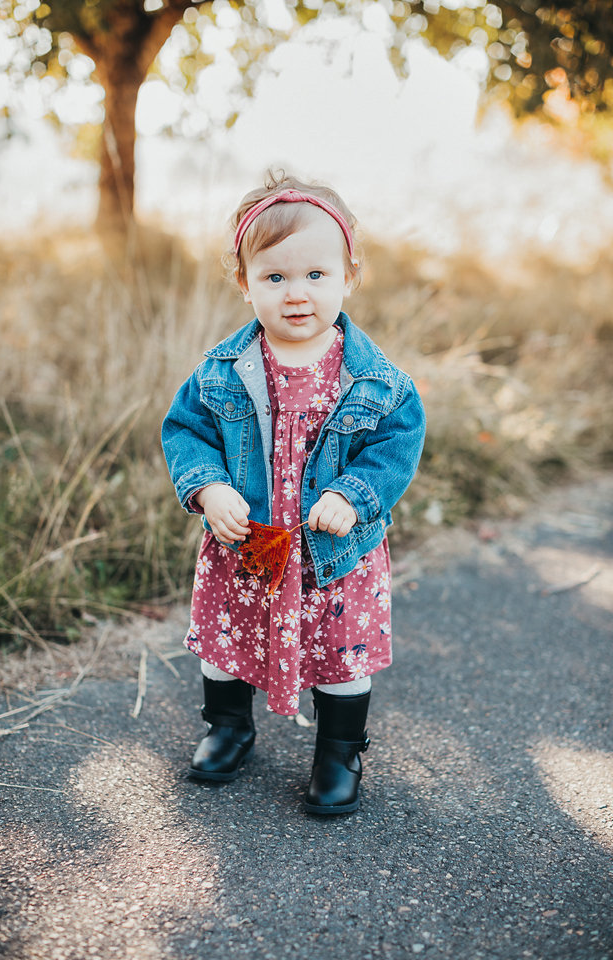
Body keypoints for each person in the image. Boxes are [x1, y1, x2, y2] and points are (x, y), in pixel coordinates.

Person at [162, 172, 426, 815]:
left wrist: (356, 492)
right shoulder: (222, 370)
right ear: (244, 282)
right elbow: (186, 433)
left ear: (348, 275)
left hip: (335, 553)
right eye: (275, 278)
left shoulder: (375, 380)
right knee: (229, 640)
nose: (296, 294)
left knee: (341, 655)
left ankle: (339, 752)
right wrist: (208, 487)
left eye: (315, 275)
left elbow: (396, 445)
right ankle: (228, 728)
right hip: (249, 545)